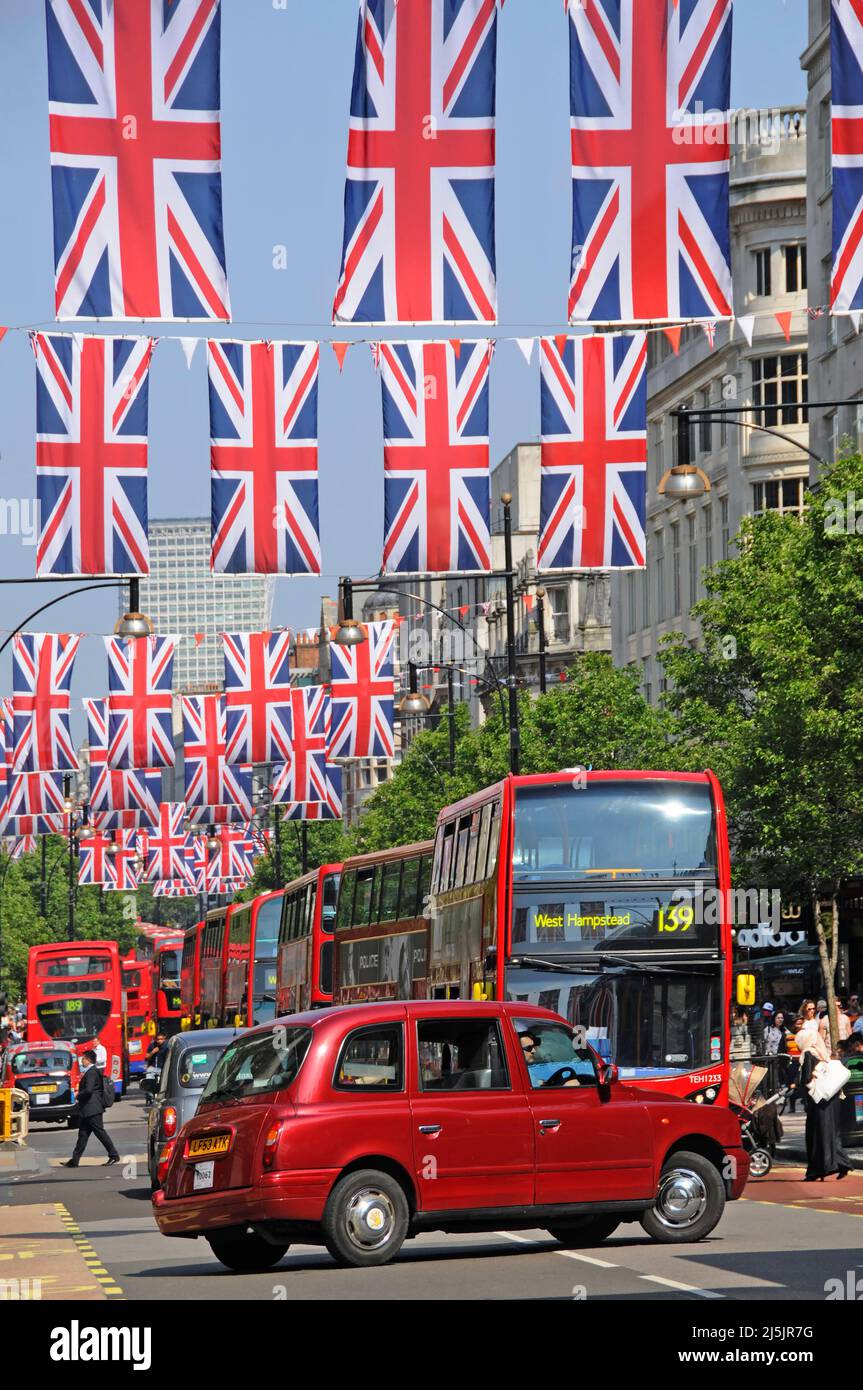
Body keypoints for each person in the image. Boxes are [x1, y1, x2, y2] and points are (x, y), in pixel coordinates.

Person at [798, 1027, 851, 1182]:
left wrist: (797, 1083)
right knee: (829, 1132)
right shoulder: (821, 1052)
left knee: (816, 1134)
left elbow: (806, 1077)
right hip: (830, 1098)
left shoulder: (808, 1053)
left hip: (818, 1100)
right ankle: (840, 1164)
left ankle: (817, 1171)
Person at [62, 1050, 120, 1168]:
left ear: (88, 1060)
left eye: (83, 1058)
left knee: (100, 1132)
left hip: (92, 1108)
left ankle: (114, 1155)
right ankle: (75, 1160)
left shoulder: (92, 1072)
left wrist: (78, 1094)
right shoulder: (92, 1071)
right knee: (83, 1134)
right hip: (88, 1109)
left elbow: (88, 1090)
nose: (81, 1061)